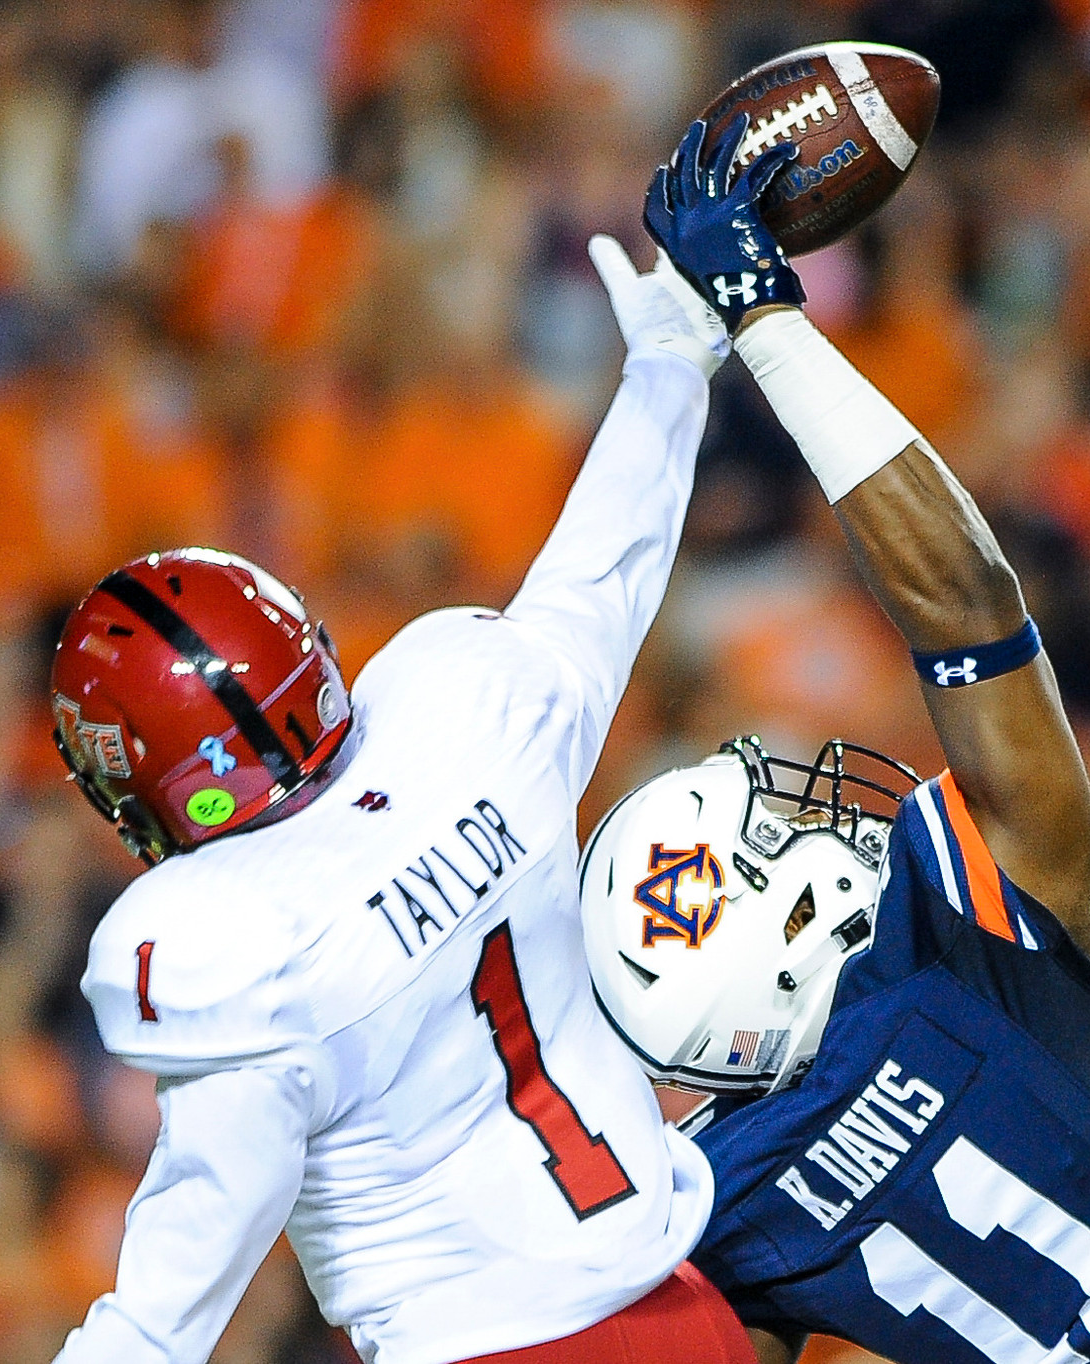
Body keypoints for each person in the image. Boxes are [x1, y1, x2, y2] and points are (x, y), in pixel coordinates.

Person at [577, 119, 1090, 1364]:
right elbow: (968, 602)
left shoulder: (712, 1215)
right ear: (772, 924)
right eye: (776, 831)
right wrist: (765, 320)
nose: (815, 814)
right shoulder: (972, 925)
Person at [45, 231, 760, 1363]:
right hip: (685, 1311)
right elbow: (596, 571)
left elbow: (163, 1316)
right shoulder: (466, 716)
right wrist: (670, 366)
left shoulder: (228, 942)